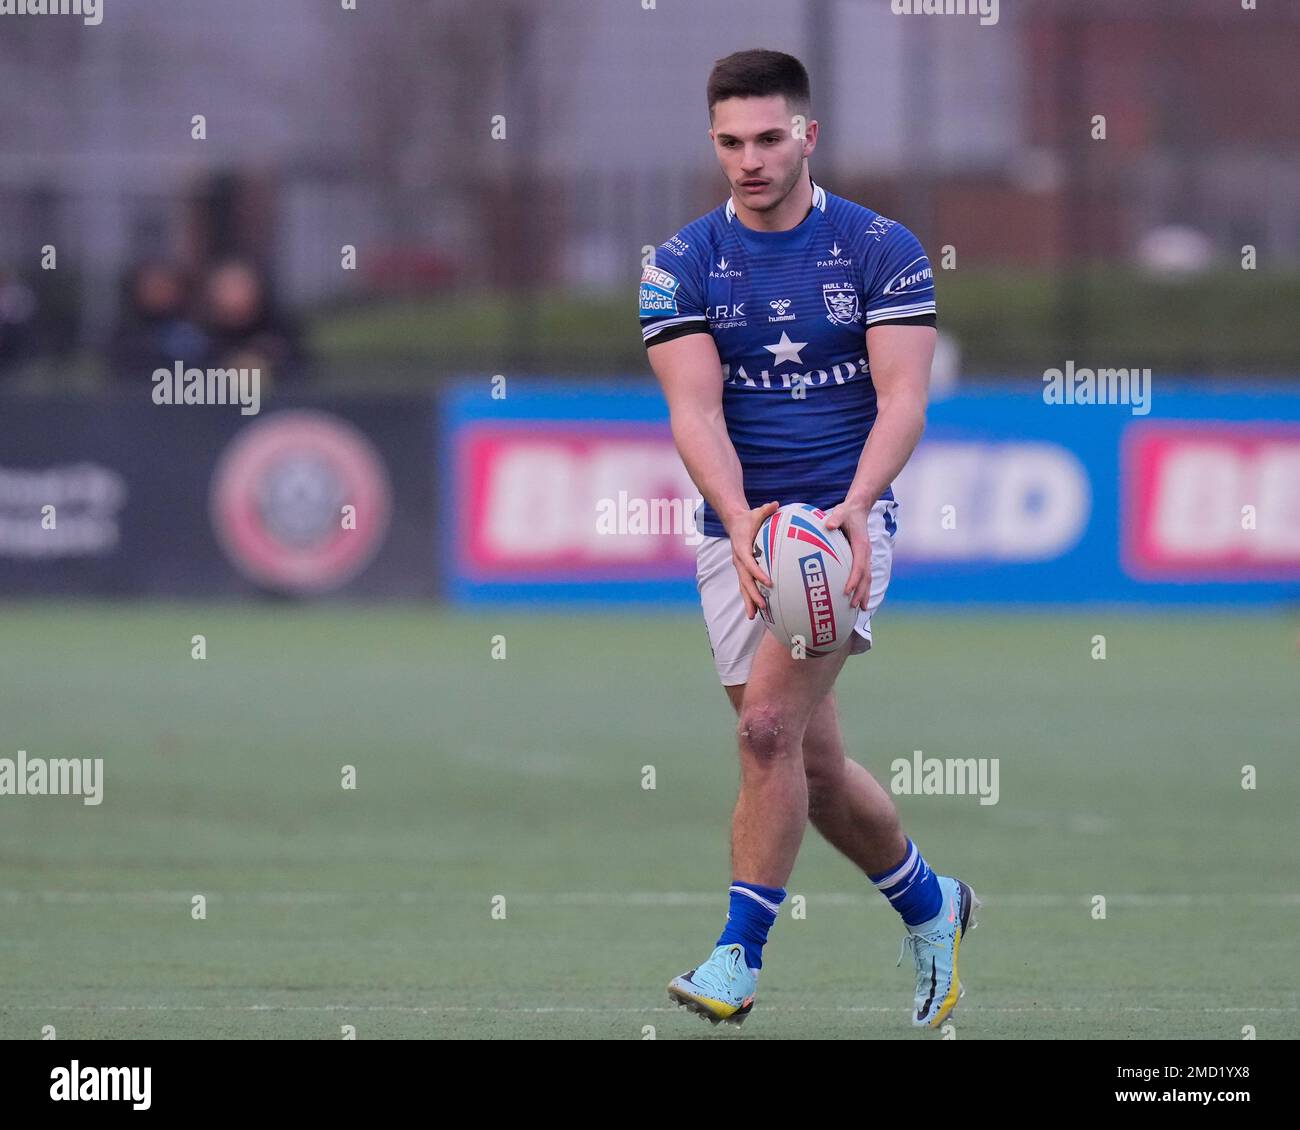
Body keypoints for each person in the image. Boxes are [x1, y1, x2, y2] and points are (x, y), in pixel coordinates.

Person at [640, 49, 978, 1031]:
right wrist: (739, 519)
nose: (749, 158)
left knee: (762, 732)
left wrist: (861, 507)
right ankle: (932, 904)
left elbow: (903, 396)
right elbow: (694, 412)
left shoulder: (880, 247)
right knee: (815, 769)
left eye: (768, 138)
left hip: (835, 529)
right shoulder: (679, 263)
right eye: (730, 142)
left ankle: (736, 957)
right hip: (736, 532)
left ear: (807, 136)